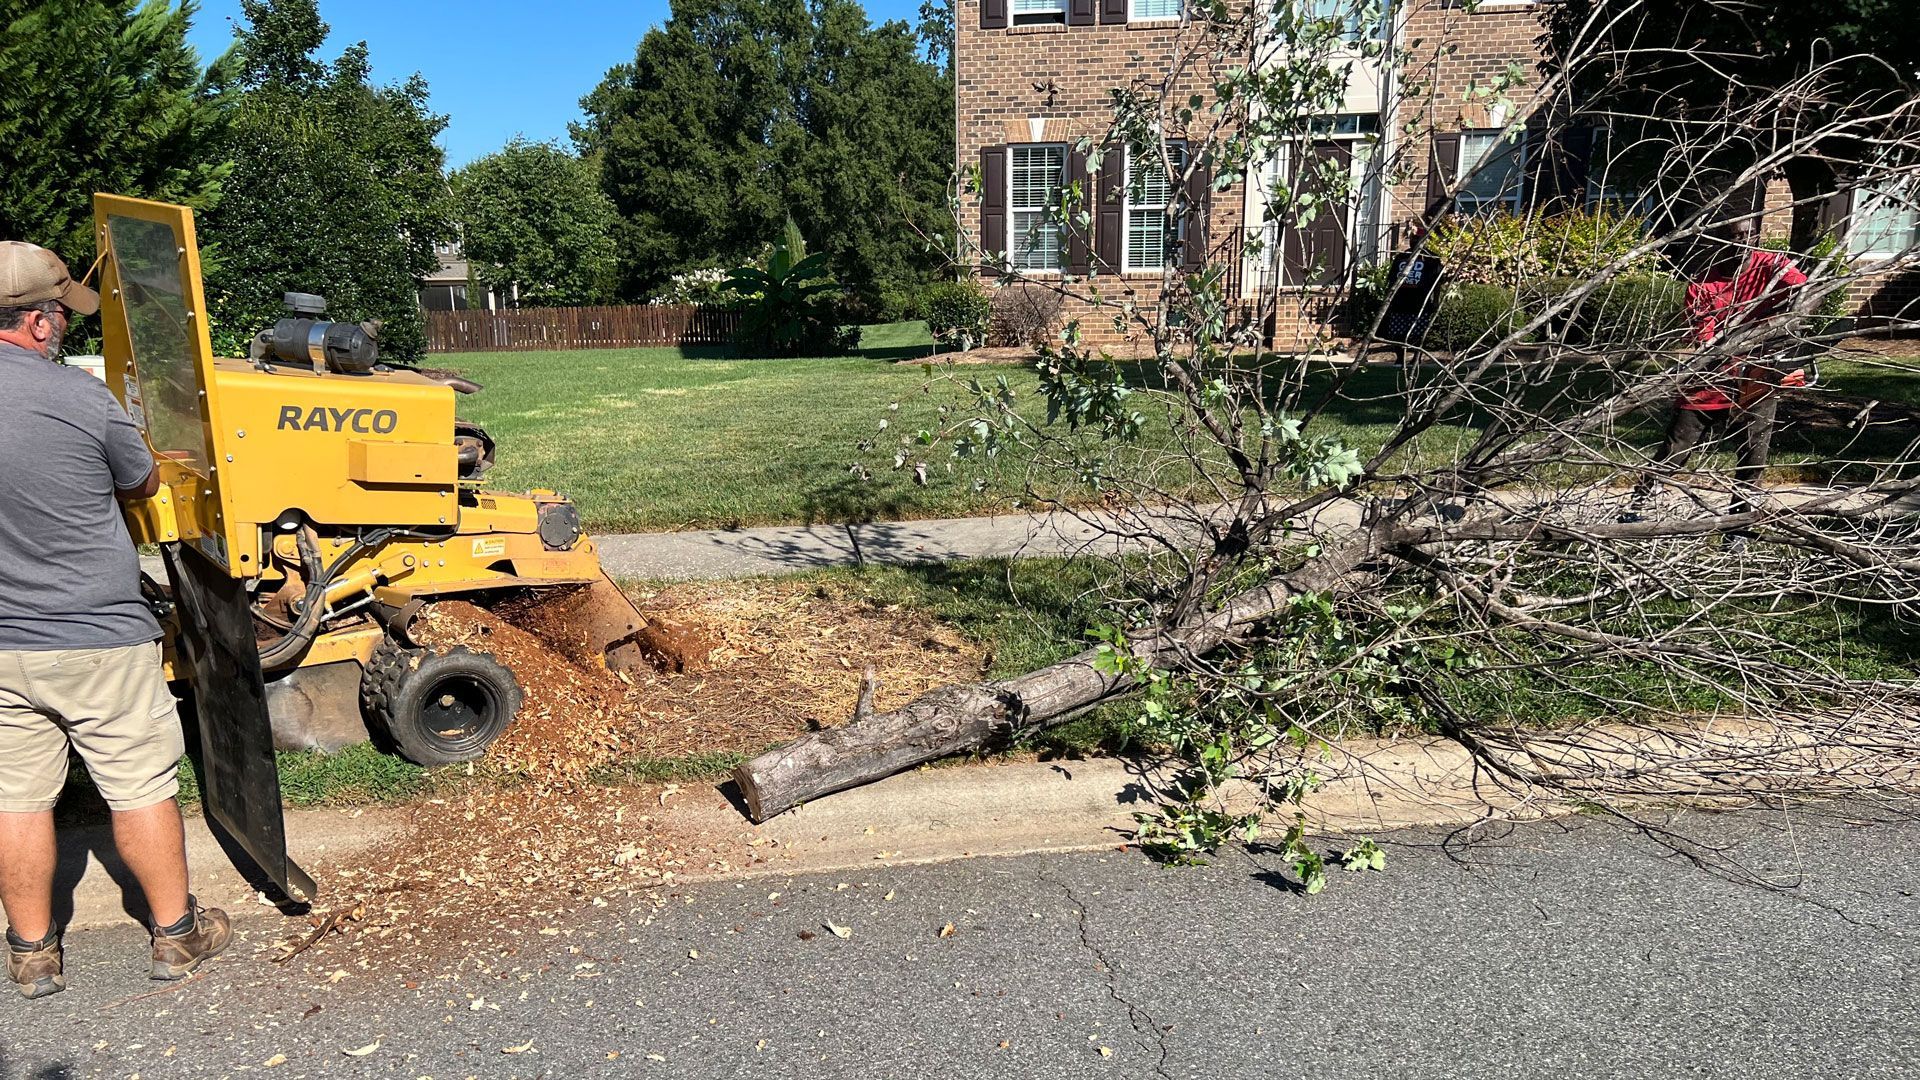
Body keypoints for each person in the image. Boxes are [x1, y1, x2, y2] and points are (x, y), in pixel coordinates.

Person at [0, 241, 230, 999]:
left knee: (16, 798)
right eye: (62, 313)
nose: (67, 324)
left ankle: (32, 953)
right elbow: (143, 479)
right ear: (35, 322)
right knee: (139, 785)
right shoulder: (80, 398)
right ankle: (175, 936)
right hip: (99, 635)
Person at [1622, 218, 1810, 525]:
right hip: (1712, 376)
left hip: (1758, 376)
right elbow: (1705, 340)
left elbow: (1806, 294)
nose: (1743, 244)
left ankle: (1738, 525)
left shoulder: (1774, 266)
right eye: (1735, 238)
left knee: (1753, 454)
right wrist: (1739, 340)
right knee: (1676, 446)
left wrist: (1784, 324)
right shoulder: (1703, 286)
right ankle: (1637, 507)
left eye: (1750, 235)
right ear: (1720, 242)